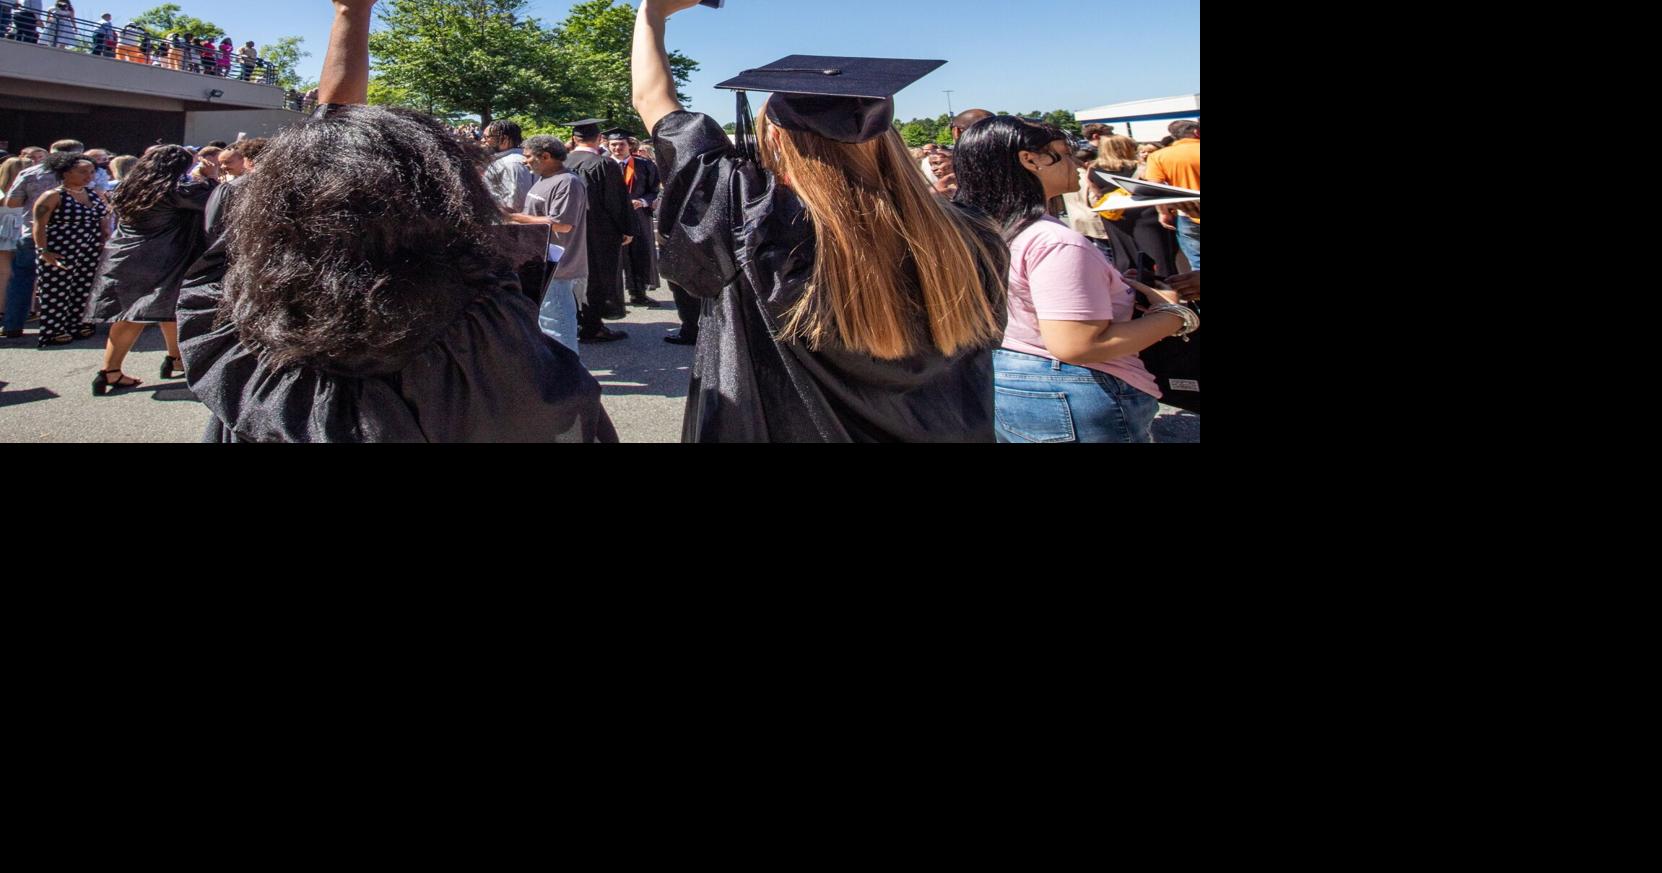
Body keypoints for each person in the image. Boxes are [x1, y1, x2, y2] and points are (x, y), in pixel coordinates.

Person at [177, 0, 615, 443]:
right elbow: (553, 411)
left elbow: (326, 150)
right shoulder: (476, 325)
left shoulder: (240, 330)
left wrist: (350, 15)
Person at [634, 1, 1010, 442]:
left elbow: (654, 103)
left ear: (776, 138)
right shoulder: (971, 236)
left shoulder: (754, 220)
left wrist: (653, 12)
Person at [955, 116, 1198, 443]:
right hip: (1078, 390)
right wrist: (1175, 315)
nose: (1076, 164)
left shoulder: (985, 230)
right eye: (1065, 153)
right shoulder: (1052, 240)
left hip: (1011, 379)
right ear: (1031, 160)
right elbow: (1079, 344)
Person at [86, 145, 216, 392]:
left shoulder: (128, 187)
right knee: (144, 313)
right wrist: (208, 178)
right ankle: (113, 371)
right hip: (160, 258)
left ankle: (169, 359)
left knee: (157, 311)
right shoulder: (175, 190)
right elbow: (213, 202)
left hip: (123, 254)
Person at [506, 135, 587, 354]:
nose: (525, 161)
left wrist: (516, 218)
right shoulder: (544, 179)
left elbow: (562, 224)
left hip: (557, 267)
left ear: (545, 156)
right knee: (546, 324)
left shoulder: (567, 182)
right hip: (540, 262)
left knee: (557, 326)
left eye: (528, 156)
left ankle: (568, 371)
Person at [4, 139, 85, 339]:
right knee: (66, 282)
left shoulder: (30, 172)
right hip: (69, 236)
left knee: (22, 279)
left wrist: (33, 201)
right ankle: (62, 326)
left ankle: (12, 325)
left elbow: (12, 202)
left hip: (30, 231)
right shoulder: (82, 174)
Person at [561, 118, 633, 341]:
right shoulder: (605, 164)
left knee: (569, 275)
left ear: (575, 139)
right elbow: (616, 202)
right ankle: (593, 327)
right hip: (599, 232)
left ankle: (573, 321)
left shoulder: (561, 163)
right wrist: (627, 228)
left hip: (567, 230)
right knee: (597, 276)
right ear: (599, 138)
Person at [30, 151, 108, 348]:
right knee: (56, 290)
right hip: (60, 248)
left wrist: (104, 240)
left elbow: (103, 219)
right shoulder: (52, 195)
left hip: (89, 249)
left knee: (84, 288)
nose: (88, 176)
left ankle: (78, 323)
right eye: (82, 172)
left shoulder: (92, 194)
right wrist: (43, 251)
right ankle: (54, 330)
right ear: (65, 173)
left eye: (91, 171)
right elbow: (39, 225)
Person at [605, 128, 661, 307]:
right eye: (613, 145)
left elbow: (654, 190)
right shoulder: (602, 165)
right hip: (611, 218)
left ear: (629, 145)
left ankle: (638, 293)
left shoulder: (644, 165)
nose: (617, 148)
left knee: (639, 254)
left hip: (638, 215)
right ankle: (612, 298)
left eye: (621, 144)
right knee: (613, 257)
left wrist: (643, 201)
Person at [1146, 120, 1199, 270]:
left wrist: (1163, 212)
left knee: (1197, 263)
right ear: (1196, 132)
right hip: (1189, 214)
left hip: (1187, 213)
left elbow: (1155, 188)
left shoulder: (1158, 156)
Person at [482, 120, 535, 212]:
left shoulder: (512, 163)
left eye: (487, 137)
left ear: (505, 139)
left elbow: (515, 204)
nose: (483, 140)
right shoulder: (507, 160)